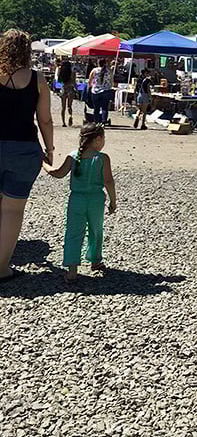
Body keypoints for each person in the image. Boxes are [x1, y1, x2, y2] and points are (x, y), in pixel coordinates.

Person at [0, 29, 54, 282]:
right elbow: (45, 119)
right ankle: (1, 268)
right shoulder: (37, 79)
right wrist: (50, 149)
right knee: (12, 210)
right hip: (23, 149)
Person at [46, 122, 116, 282]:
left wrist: (44, 164)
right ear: (98, 139)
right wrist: (113, 201)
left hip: (76, 199)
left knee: (73, 232)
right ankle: (95, 260)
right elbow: (109, 182)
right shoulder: (102, 158)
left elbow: (57, 173)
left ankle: (72, 271)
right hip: (95, 199)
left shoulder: (73, 156)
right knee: (96, 230)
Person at [89, 59, 112, 126]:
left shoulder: (94, 70)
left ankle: (96, 122)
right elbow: (111, 81)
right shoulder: (109, 70)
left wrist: (90, 86)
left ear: (98, 63)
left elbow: (90, 80)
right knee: (104, 107)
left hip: (96, 91)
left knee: (96, 108)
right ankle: (104, 121)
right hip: (106, 90)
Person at [57, 55, 76, 127]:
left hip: (63, 88)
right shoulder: (72, 72)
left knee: (63, 107)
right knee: (69, 106)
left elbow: (59, 80)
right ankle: (70, 115)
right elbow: (74, 82)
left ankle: (63, 122)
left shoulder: (61, 71)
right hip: (70, 89)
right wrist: (76, 88)